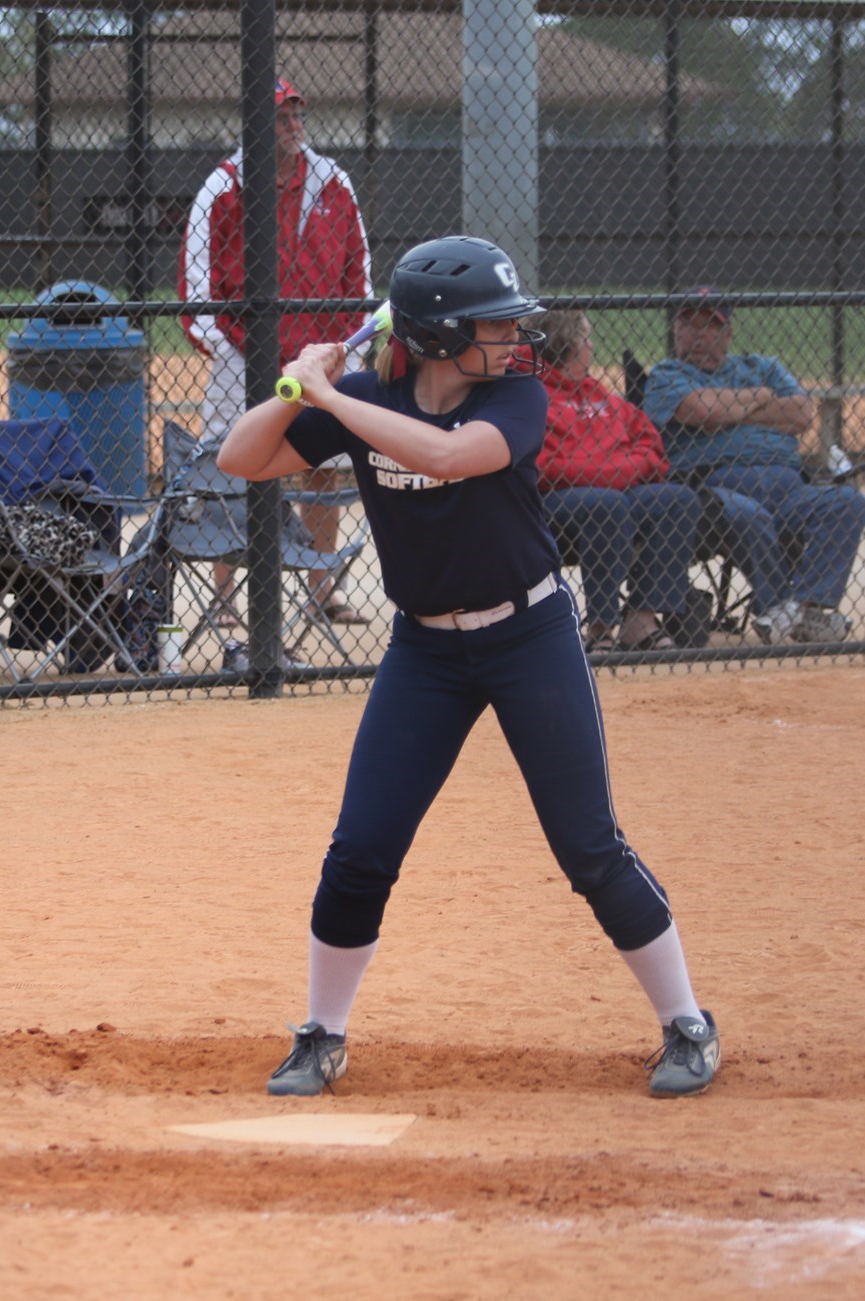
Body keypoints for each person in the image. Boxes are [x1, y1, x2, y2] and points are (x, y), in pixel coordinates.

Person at [218, 236, 720, 1100]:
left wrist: (338, 399)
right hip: (426, 651)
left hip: (530, 634)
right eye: (491, 325)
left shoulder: (516, 396)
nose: (513, 338)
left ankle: (686, 1021)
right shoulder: (366, 395)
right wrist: (300, 386)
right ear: (440, 334)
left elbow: (448, 456)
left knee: (588, 846)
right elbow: (241, 457)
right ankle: (321, 1033)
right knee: (362, 847)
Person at [181, 78, 372, 628]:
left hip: (318, 354)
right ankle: (223, 601)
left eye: (296, 115)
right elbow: (196, 288)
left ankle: (321, 590)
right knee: (227, 465)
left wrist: (344, 347)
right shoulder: (222, 189)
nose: (293, 126)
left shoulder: (334, 183)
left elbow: (357, 274)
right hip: (245, 355)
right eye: (280, 118)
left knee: (324, 469)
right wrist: (227, 349)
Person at [641, 288, 865, 644]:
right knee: (748, 514)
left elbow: (800, 413)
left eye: (710, 327)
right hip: (714, 491)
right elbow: (703, 412)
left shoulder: (763, 366)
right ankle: (786, 609)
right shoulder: (666, 375)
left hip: (790, 489)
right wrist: (761, 399)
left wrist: (729, 414)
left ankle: (795, 609)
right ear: (675, 330)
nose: (698, 335)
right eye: (689, 325)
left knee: (848, 502)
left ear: (728, 334)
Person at [535, 310, 705, 651]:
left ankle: (640, 620)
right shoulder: (533, 395)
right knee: (606, 503)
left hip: (614, 493)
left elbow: (651, 445)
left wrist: (606, 471)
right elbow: (546, 468)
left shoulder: (598, 393)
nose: (592, 346)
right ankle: (601, 626)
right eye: (586, 338)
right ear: (567, 347)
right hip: (554, 505)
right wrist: (618, 471)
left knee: (676, 499)